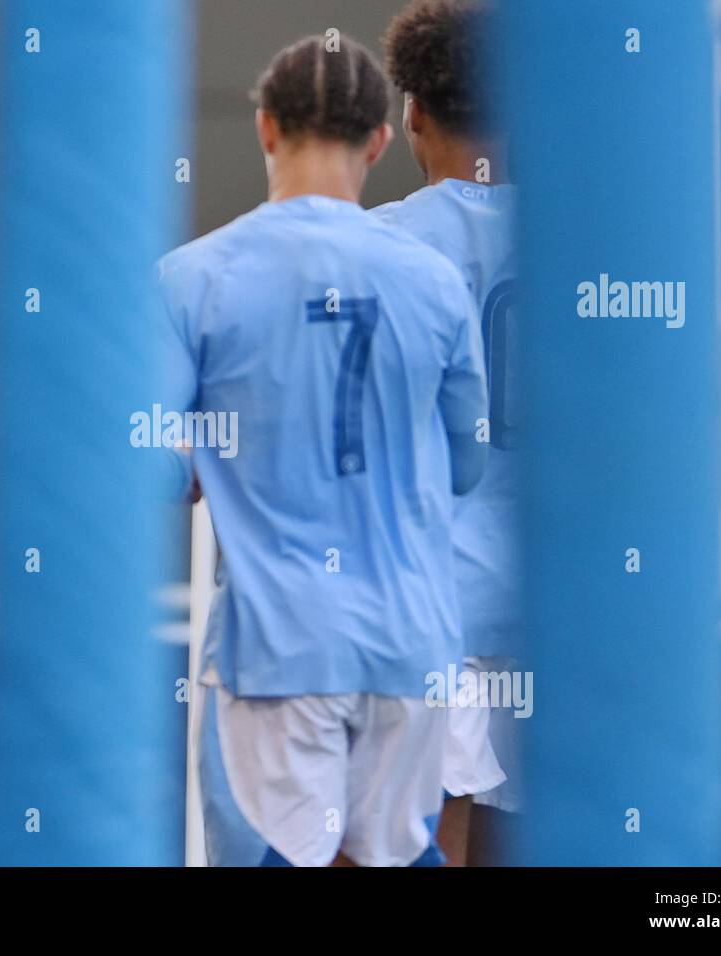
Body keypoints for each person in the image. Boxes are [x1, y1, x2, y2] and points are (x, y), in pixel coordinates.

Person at [157, 35, 487, 866]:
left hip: (277, 645)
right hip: (412, 639)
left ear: (267, 128)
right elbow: (468, 460)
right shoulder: (434, 279)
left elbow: (154, 469)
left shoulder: (194, 278)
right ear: (380, 139)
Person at [374, 0, 523, 866]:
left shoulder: (374, 248)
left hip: (435, 608)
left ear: (411, 112)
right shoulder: (586, 247)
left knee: (436, 846)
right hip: (558, 605)